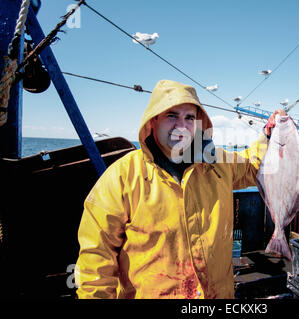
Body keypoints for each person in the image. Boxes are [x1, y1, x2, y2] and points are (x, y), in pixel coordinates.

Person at [75, 79, 286, 299]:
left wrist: (269, 136)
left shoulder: (217, 163)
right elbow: (95, 264)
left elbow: (253, 166)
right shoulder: (121, 177)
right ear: (153, 120)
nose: (181, 126)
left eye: (189, 118)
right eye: (171, 116)